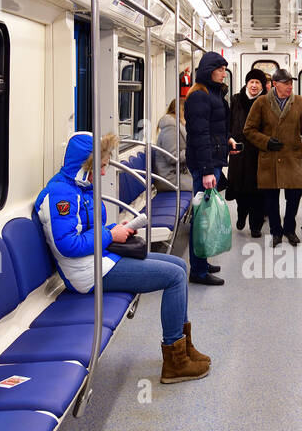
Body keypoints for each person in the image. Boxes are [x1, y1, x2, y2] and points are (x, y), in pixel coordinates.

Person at [36, 132, 209, 384]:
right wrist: (109, 236)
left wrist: (114, 231)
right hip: (86, 274)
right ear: (87, 166)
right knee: (173, 277)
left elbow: (87, 232)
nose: (105, 173)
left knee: (180, 265)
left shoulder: (80, 189)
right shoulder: (61, 195)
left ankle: (184, 347)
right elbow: (68, 245)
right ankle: (175, 361)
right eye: (102, 166)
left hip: (99, 260)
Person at [243, 68, 302, 247]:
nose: (290, 87)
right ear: (275, 84)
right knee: (270, 199)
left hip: (292, 157)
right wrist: (266, 142)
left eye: (291, 83)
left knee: (293, 197)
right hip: (270, 157)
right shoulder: (261, 102)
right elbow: (248, 130)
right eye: (286, 83)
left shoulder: (299, 103)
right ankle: (276, 231)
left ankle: (290, 230)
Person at [183, 52, 231, 285]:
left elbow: (214, 130)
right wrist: (207, 170)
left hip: (212, 160)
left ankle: (202, 260)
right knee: (201, 218)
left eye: (224, 69)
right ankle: (198, 271)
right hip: (206, 164)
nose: (224, 73)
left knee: (206, 217)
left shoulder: (212, 93)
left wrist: (227, 141)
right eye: (220, 69)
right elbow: (200, 135)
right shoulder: (199, 97)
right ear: (209, 70)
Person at [226, 69, 268, 237]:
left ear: (262, 86)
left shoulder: (267, 102)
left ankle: (256, 225)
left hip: (259, 152)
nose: (254, 85)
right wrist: (229, 139)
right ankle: (242, 214)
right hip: (239, 150)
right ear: (247, 83)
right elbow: (228, 123)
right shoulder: (236, 100)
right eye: (252, 82)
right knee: (240, 188)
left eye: (258, 82)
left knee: (258, 191)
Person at [152, 99, 192, 192]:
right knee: (200, 185)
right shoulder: (171, 127)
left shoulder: (179, 126)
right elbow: (173, 157)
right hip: (169, 178)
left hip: (178, 173)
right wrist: (193, 151)